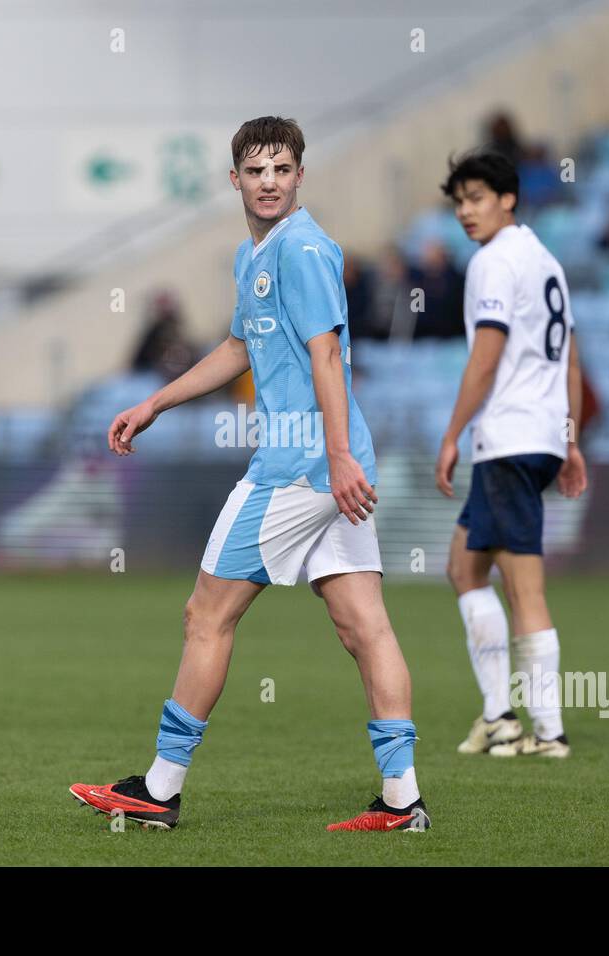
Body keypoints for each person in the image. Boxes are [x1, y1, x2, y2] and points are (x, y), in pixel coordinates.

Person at [70, 117, 430, 832]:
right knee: (365, 627)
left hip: (299, 468)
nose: (269, 181)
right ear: (235, 179)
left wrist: (333, 456)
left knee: (207, 614)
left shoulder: (302, 249)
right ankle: (402, 801)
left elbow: (326, 355)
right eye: (256, 170)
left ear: (300, 177)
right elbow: (239, 346)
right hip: (328, 465)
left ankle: (161, 791)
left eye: (282, 169)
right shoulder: (254, 254)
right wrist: (156, 403)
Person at [434, 150, 587, 759]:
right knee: (463, 567)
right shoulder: (545, 261)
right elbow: (572, 357)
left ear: (508, 197)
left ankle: (547, 731)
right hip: (541, 435)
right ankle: (499, 716)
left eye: (476, 197)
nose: (465, 212)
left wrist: (451, 434)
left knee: (524, 588)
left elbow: (487, 355)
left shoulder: (494, 262)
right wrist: (570, 439)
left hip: (510, 438)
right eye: (458, 202)